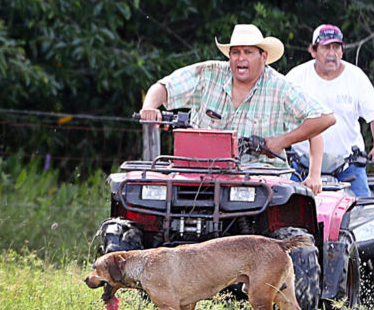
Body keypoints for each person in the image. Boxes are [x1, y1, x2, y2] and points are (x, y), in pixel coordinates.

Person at [139, 23, 335, 193]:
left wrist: (282, 143)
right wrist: (149, 106)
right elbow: (165, 86)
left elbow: (323, 119)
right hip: (199, 171)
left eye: (248, 52)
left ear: (263, 56)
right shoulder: (209, 73)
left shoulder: (281, 87)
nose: (241, 58)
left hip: (261, 175)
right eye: (236, 52)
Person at [285, 24, 374, 197]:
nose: (331, 53)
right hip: (302, 166)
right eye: (326, 48)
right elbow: (277, 112)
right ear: (313, 50)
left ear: (342, 50)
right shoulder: (296, 77)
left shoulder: (356, 77)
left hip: (348, 166)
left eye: (336, 47)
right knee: (284, 210)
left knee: (363, 215)